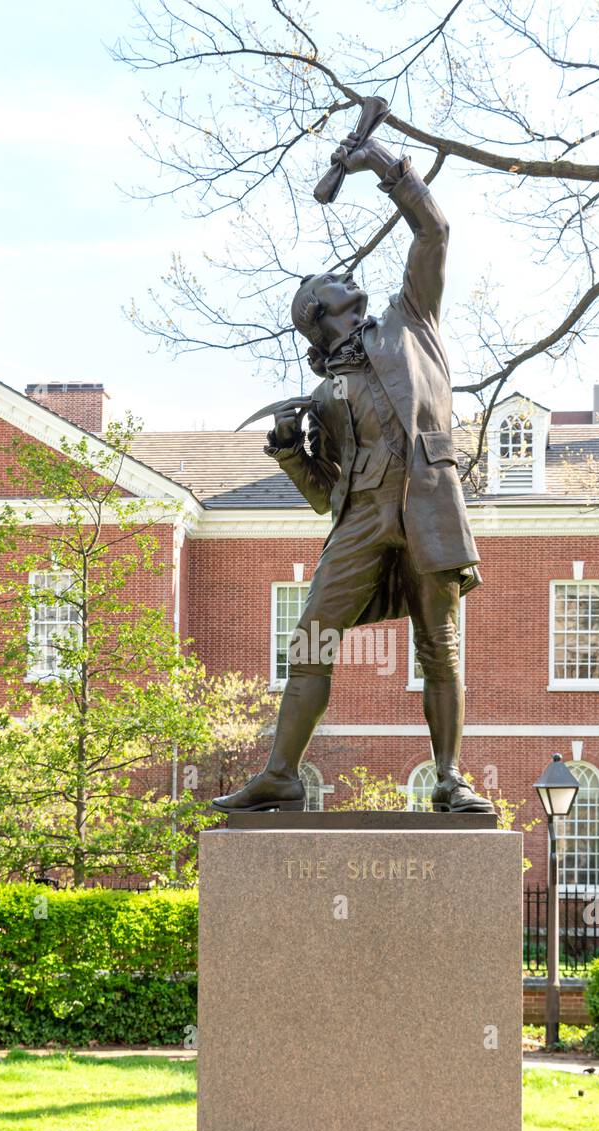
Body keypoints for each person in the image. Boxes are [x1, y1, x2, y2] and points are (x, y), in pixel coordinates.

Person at [212, 129, 493, 815]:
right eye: (336, 282)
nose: (350, 278)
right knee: (310, 635)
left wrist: (386, 167)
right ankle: (281, 773)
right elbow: (321, 496)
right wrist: (288, 450)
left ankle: (449, 779)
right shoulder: (320, 398)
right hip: (362, 516)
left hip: (427, 503)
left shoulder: (408, 321)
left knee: (438, 646)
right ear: (317, 313)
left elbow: (435, 229)